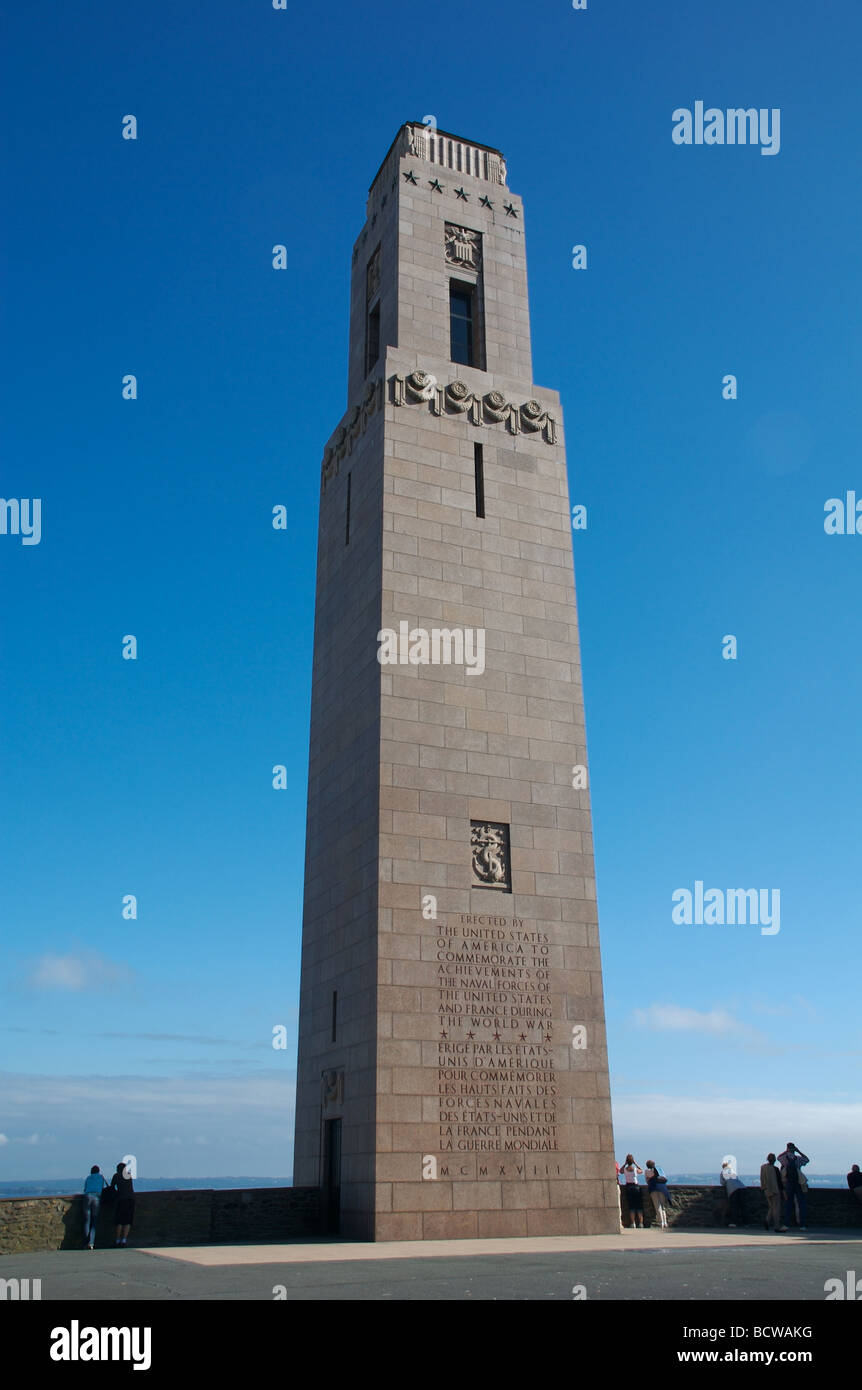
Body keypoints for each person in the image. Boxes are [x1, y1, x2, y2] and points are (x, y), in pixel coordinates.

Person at [778, 1142, 810, 1229]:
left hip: (789, 1182)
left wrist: (786, 1151)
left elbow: (778, 1157)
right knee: (801, 1203)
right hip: (798, 1182)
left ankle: (786, 1224)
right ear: (794, 1149)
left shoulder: (784, 1158)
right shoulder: (798, 1159)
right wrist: (798, 1151)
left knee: (788, 1203)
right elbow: (807, 1160)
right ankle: (802, 1224)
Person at [81, 1165, 108, 1250]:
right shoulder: (101, 1177)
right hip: (96, 1197)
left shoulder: (88, 1178)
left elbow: (85, 1189)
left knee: (87, 1221)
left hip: (87, 1197)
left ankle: (86, 1242)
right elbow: (103, 1188)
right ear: (98, 1171)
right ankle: (91, 1243)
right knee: (94, 1221)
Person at [110, 1161, 135, 1246]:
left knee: (119, 1221)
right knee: (128, 1221)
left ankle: (117, 1240)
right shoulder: (128, 1175)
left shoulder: (116, 1176)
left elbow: (112, 1187)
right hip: (131, 1199)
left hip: (121, 1200)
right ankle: (124, 1240)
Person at [760, 1153, 786, 1232]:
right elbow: (779, 1182)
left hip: (766, 1190)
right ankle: (777, 1226)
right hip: (775, 1190)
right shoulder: (775, 1169)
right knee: (776, 1208)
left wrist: (763, 1188)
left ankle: (767, 1220)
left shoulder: (763, 1167)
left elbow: (762, 1178)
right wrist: (784, 1192)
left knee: (771, 1207)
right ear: (774, 1160)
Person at [619, 1154, 644, 1229]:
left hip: (628, 1187)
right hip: (636, 1187)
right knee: (639, 1206)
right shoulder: (635, 1169)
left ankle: (633, 1223)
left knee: (631, 1206)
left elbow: (620, 1171)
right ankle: (640, 1223)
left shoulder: (626, 1169)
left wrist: (625, 1164)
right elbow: (641, 1170)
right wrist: (635, 1163)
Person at [644, 1160, 670, 1229]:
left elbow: (647, 1181)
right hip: (662, 1188)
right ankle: (665, 1222)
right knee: (663, 1206)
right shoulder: (659, 1170)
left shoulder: (647, 1171)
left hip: (653, 1188)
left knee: (657, 1206)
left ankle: (661, 1222)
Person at [720, 1158, 746, 1227]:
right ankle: (745, 1222)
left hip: (733, 1190)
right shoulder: (733, 1171)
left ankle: (735, 1222)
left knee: (734, 1206)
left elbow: (722, 1183)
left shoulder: (723, 1172)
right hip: (741, 1187)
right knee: (742, 1206)